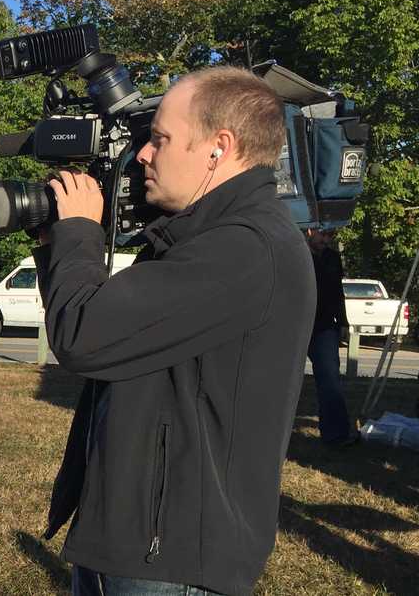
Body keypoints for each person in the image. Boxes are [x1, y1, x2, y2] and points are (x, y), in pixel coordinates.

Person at [36, 67, 316, 595]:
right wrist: (60, 238)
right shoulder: (198, 240)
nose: (143, 154)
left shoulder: (245, 250)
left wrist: (78, 231)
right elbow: (106, 337)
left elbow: (83, 334)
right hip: (134, 543)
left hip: (170, 560)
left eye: (160, 139)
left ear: (219, 146)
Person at [305, 229, 358, 446]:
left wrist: (343, 322)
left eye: (331, 236)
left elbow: (337, 292)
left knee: (330, 379)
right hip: (294, 322)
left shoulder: (332, 258)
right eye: (323, 235)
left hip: (325, 325)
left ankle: (336, 434)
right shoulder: (293, 252)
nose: (327, 241)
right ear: (310, 230)